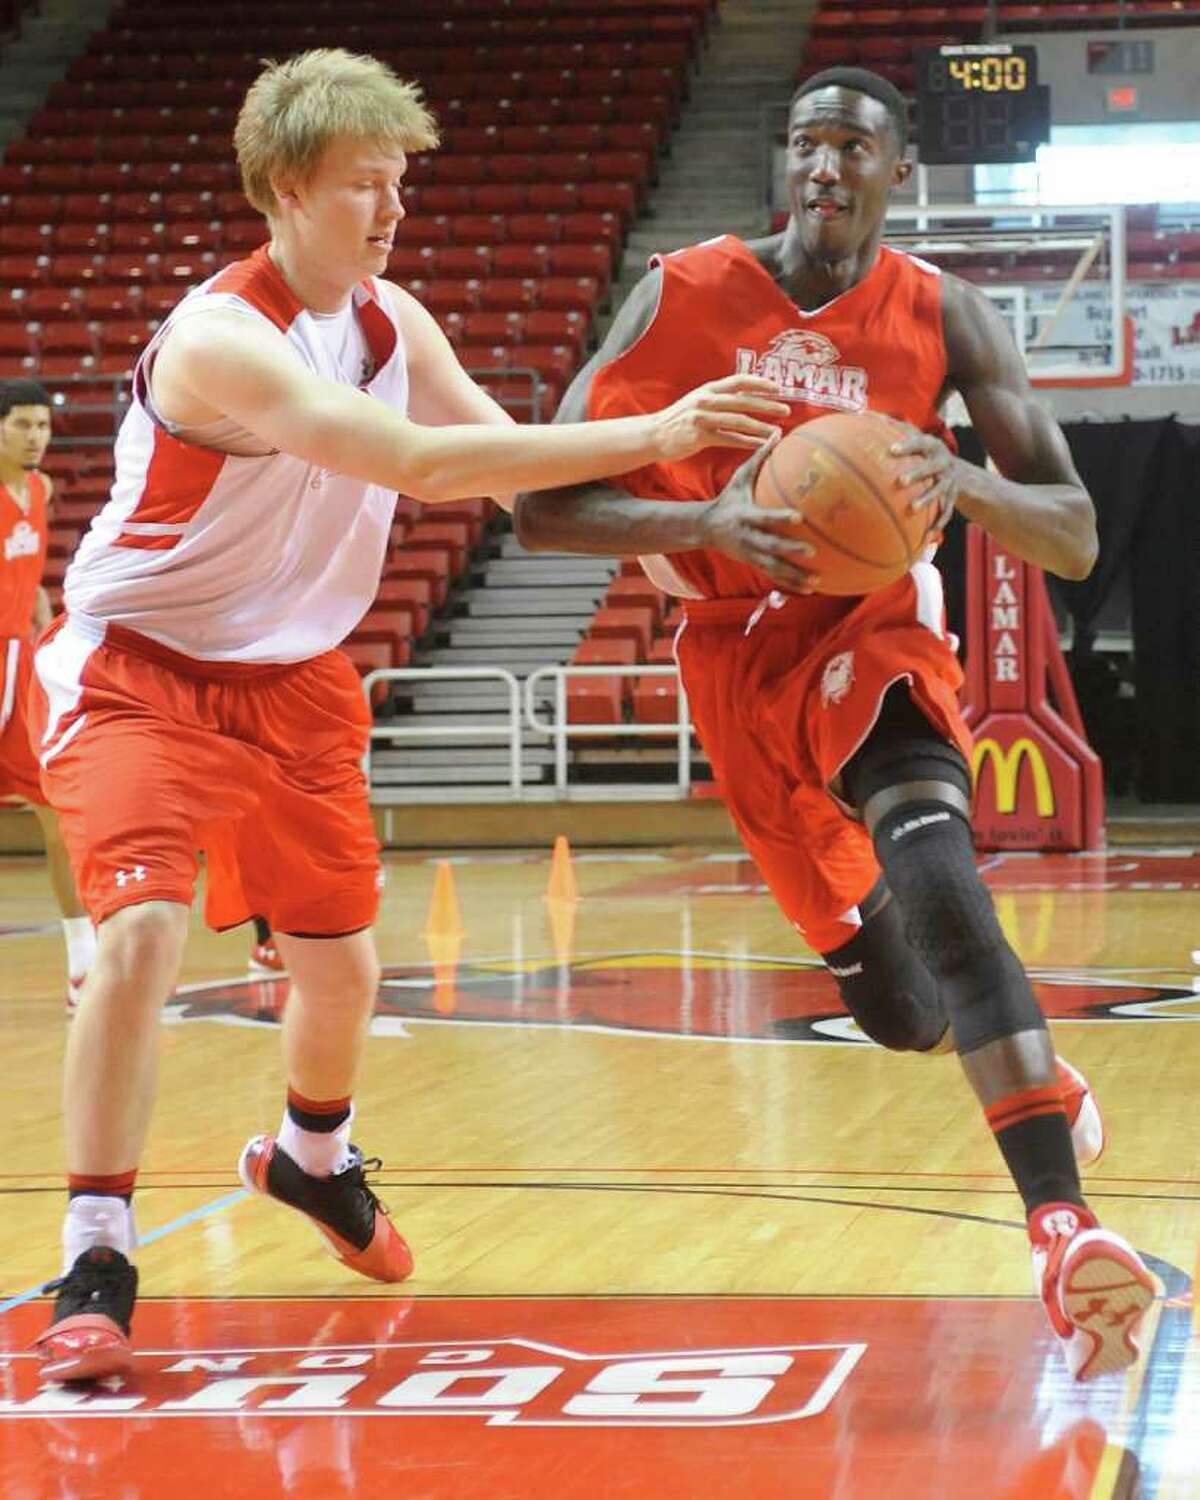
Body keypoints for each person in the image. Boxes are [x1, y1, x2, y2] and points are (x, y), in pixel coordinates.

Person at [29, 47, 789, 1383]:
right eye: (360, 189)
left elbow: (515, 488)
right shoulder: (221, 338)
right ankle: (97, 1249)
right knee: (141, 936)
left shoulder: (392, 320)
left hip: (299, 678)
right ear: (279, 191)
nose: (388, 215)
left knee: (343, 969)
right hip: (142, 669)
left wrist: (691, 539)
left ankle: (317, 1160)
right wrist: (658, 422)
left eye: (398, 187)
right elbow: (427, 465)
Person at [515, 66, 1156, 1381]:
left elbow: (1079, 535)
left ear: (894, 174)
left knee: (939, 874)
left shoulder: (947, 314)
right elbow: (540, 504)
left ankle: (1060, 1225)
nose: (826, 168)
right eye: (807, 143)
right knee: (902, 1013)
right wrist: (700, 520)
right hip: (727, 659)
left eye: (854, 147)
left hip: (868, 631)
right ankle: (1026, 1070)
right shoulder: (682, 293)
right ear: (781, 163)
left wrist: (957, 473)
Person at [0, 379, 96, 1010]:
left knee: (57, 814)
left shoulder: (39, 490)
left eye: (43, 425)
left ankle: (83, 967)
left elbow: (29, 579)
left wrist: (40, 623)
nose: (36, 436)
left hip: (20, 662)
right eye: (23, 425)